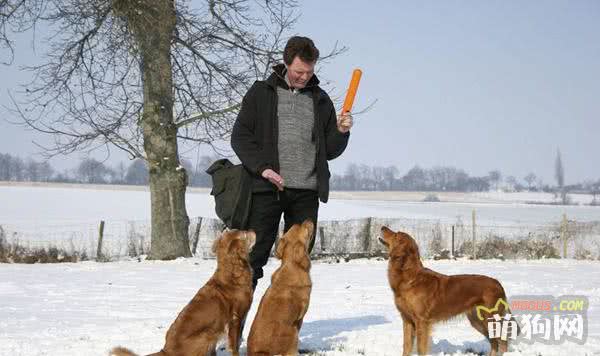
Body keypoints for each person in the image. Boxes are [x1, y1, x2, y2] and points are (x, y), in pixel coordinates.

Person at [231, 36, 353, 288]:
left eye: (309, 72)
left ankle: (285, 326)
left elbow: (329, 151)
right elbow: (240, 138)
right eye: (299, 71)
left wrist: (341, 132)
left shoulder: (320, 100)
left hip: (306, 194)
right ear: (286, 64)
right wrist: (263, 169)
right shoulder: (260, 93)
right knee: (250, 263)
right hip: (265, 190)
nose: (304, 77)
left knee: (297, 265)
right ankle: (237, 327)